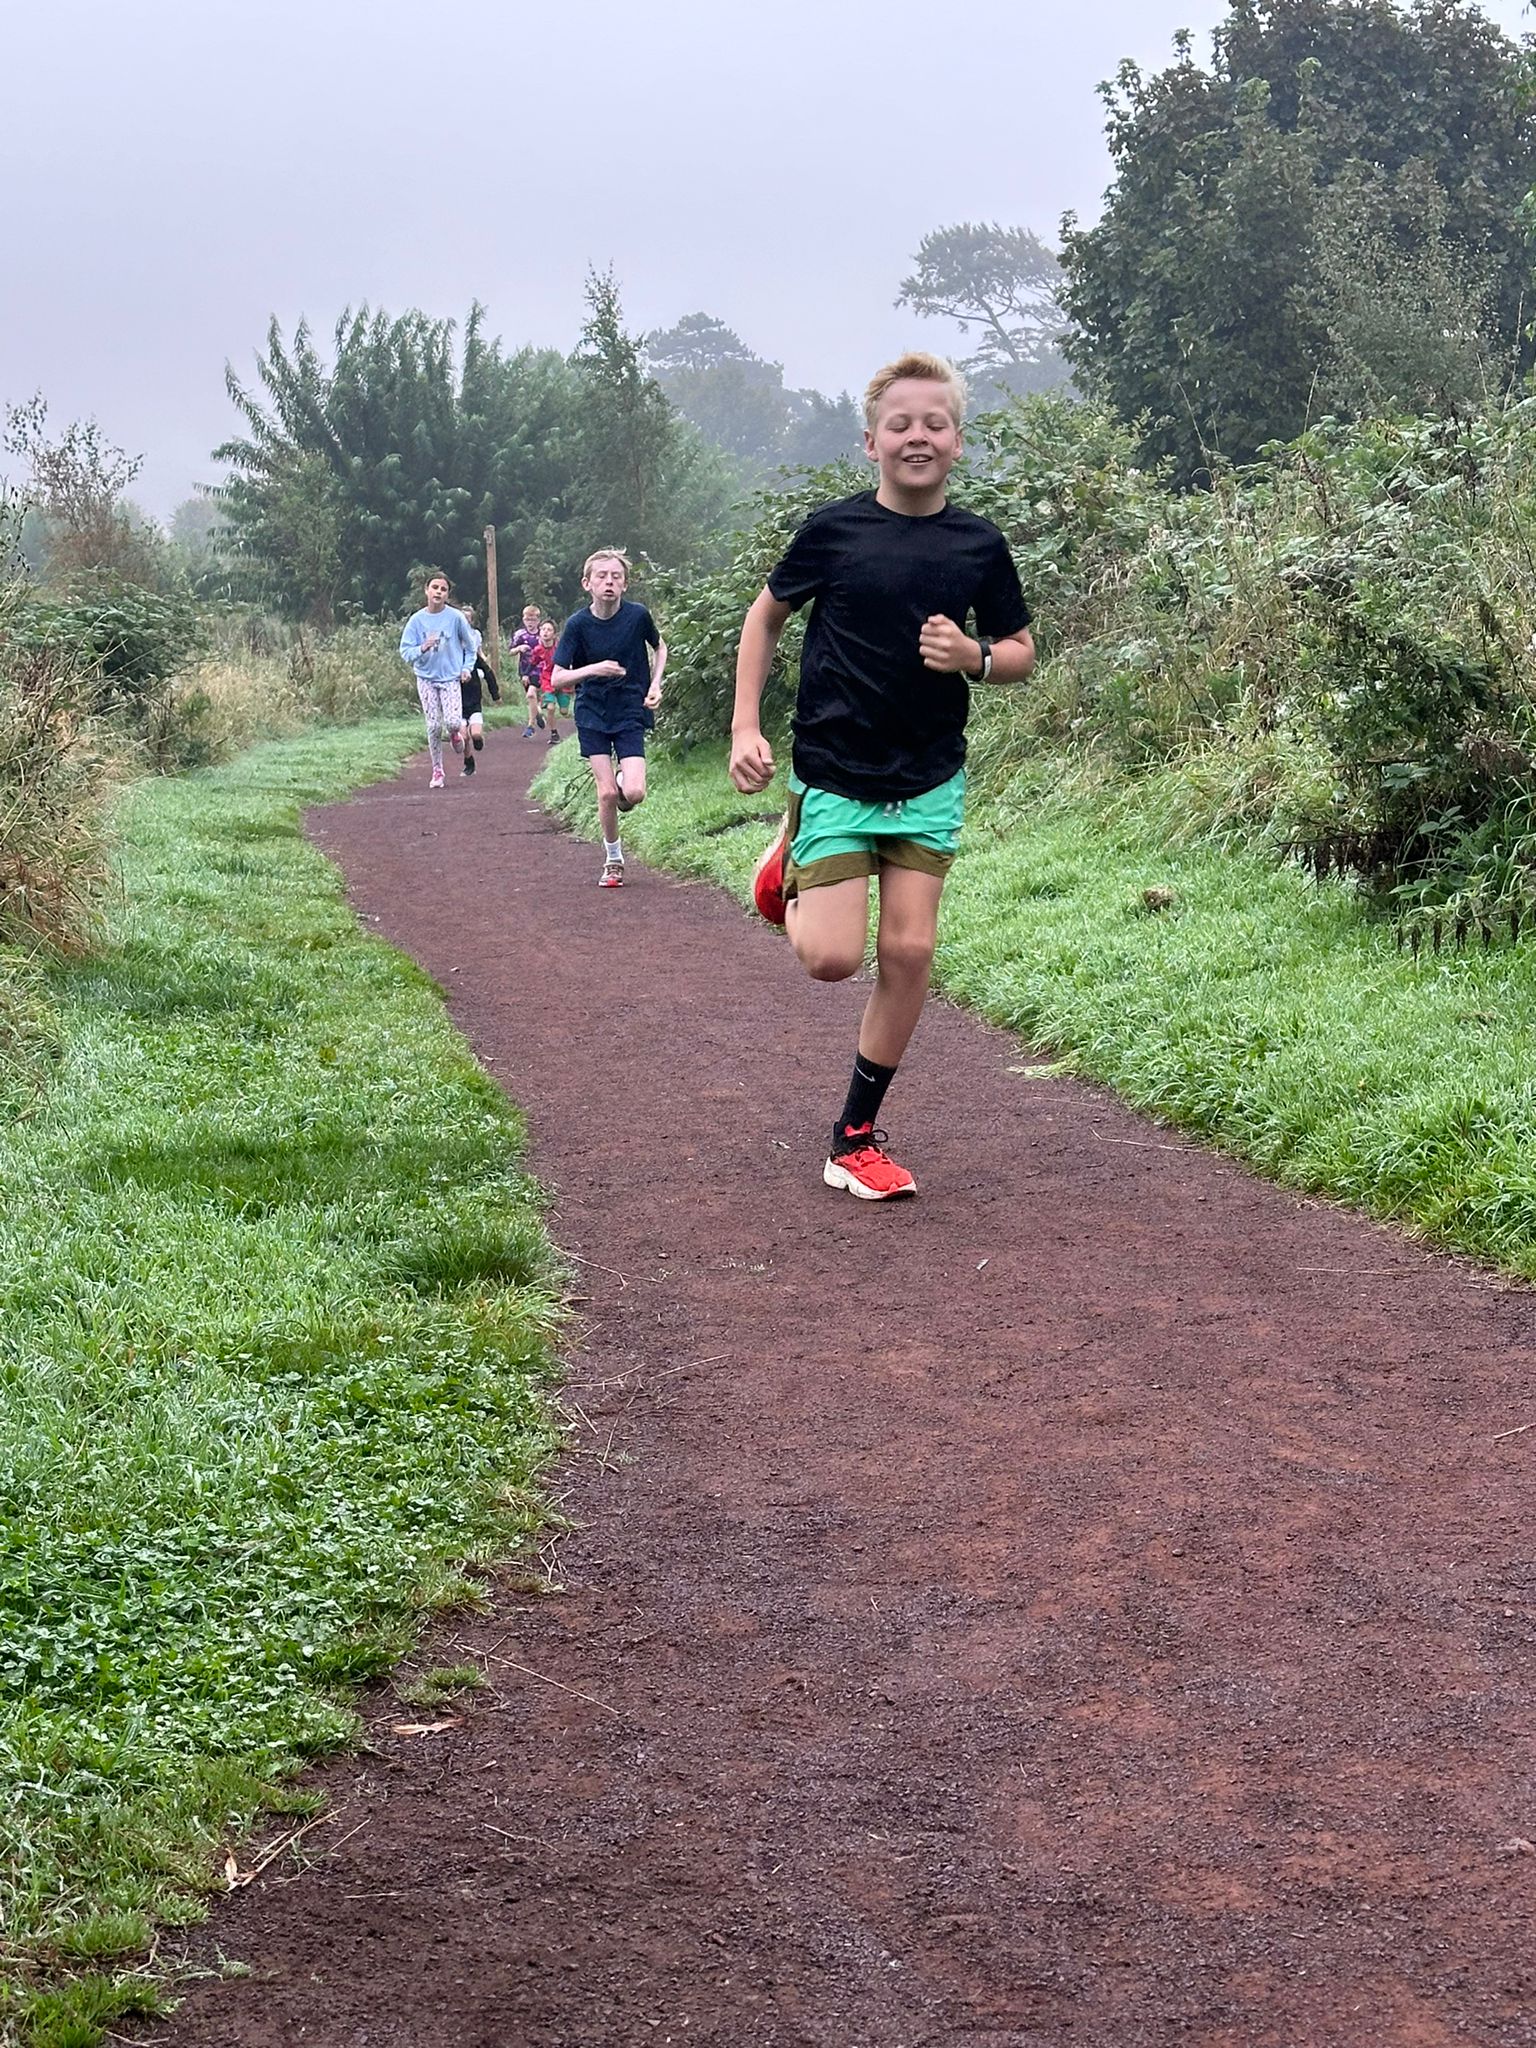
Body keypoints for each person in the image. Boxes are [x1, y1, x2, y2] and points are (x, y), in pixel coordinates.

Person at [729, 351, 1035, 1199]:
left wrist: (972, 656)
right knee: (831, 959)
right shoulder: (832, 532)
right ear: (870, 441)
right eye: (900, 423)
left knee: (909, 950)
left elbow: (1020, 653)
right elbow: (764, 622)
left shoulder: (979, 544)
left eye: (934, 423)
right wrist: (745, 725)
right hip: (835, 770)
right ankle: (786, 863)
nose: (917, 436)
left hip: (930, 778)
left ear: (959, 442)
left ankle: (854, 1137)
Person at [553, 548, 667, 888]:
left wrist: (656, 683)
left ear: (625, 584)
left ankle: (621, 783)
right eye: (602, 576)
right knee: (605, 795)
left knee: (634, 793)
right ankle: (613, 860)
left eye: (616, 577)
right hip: (592, 713)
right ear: (587, 583)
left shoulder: (638, 616)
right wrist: (594, 670)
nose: (609, 582)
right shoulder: (577, 625)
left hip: (631, 709)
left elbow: (660, 647)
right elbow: (557, 678)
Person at [400, 570, 478, 790]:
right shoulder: (416, 621)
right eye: (435, 587)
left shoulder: (456, 618)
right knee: (434, 726)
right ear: (426, 590)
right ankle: (437, 770)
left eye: (443, 589)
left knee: (453, 722)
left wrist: (466, 668)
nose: (438, 592)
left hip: (450, 678)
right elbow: (405, 652)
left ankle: (454, 734)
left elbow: (471, 647)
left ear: (447, 595)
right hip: (425, 678)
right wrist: (422, 648)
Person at [456, 601, 501, 776]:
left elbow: (488, 673)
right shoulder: (450, 658)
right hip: (456, 703)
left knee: (474, 735)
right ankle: (469, 762)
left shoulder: (474, 656)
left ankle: (478, 739)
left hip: (474, 702)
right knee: (463, 737)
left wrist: (495, 695)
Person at [529, 620, 568, 744]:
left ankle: (540, 706)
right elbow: (533, 663)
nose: (545, 632)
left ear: (554, 634)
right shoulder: (538, 649)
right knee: (551, 709)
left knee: (564, 712)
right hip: (547, 680)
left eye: (549, 630)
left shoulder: (560, 647)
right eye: (543, 629)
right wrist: (525, 675)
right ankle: (554, 734)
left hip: (562, 679)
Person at [510, 604, 545, 737]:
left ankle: (530, 726)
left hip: (540, 669)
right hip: (524, 670)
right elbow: (511, 651)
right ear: (523, 620)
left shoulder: (543, 633)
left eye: (533, 620)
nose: (530, 623)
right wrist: (519, 648)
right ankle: (539, 713)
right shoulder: (520, 634)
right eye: (527, 620)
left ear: (538, 620)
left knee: (531, 694)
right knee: (532, 697)